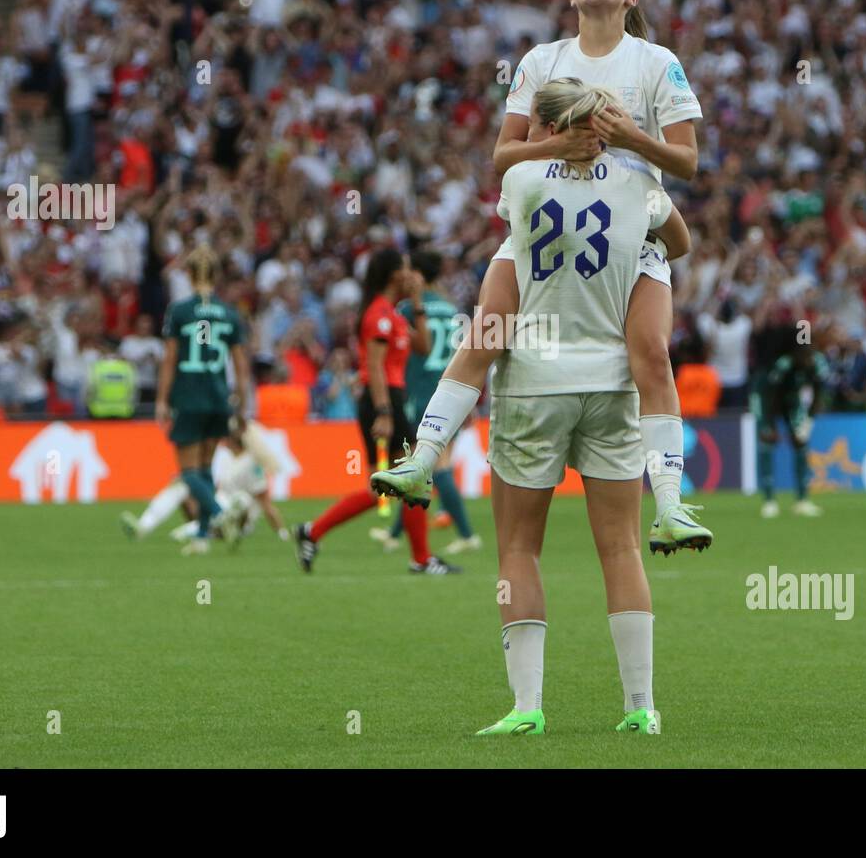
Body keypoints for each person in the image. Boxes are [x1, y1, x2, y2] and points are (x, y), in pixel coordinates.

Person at [377, 0, 711, 551]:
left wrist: (630, 137)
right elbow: (503, 156)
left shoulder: (657, 63)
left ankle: (669, 505)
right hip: (545, 226)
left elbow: (687, 161)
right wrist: (559, 150)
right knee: (484, 334)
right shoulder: (541, 61)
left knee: (652, 355)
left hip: (629, 238)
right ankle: (421, 459)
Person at [434, 78, 685, 736]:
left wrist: (533, 149)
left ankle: (526, 707)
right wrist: (632, 149)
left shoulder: (522, 185)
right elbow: (677, 239)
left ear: (541, 128)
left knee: (519, 548)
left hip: (534, 385)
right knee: (622, 551)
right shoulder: (635, 181)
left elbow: (508, 169)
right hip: (611, 381)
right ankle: (642, 708)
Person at [292, 249, 460, 575]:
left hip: (389, 399)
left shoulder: (394, 314)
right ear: (393, 274)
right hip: (381, 400)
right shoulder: (378, 315)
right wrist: (384, 411)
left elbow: (422, 347)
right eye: (407, 269)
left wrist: (418, 301)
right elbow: (374, 366)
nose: (413, 274)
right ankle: (419, 558)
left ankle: (314, 532)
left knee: (407, 481)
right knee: (397, 484)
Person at [371, 249, 483, 556]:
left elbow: (403, 349)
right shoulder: (451, 310)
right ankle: (396, 534)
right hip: (454, 393)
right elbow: (464, 357)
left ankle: (467, 533)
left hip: (421, 394)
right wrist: (470, 401)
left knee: (434, 465)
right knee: (421, 468)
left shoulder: (408, 309)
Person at [154, 245, 250, 555]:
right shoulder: (229, 313)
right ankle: (203, 536)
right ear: (217, 275)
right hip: (220, 398)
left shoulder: (180, 312)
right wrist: (242, 400)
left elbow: (170, 359)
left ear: (190, 274)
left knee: (188, 472)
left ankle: (221, 513)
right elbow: (240, 363)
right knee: (206, 468)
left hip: (190, 396)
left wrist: (161, 399)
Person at [122, 418, 289, 545]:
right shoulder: (226, 459)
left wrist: (282, 532)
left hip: (240, 519)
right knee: (184, 485)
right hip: (220, 509)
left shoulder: (251, 463)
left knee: (240, 500)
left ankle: (208, 528)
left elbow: (265, 503)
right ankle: (144, 525)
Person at [754, 341, 831, 519]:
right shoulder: (783, 366)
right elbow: (771, 396)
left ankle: (802, 501)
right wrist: (770, 426)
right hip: (768, 400)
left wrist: (806, 425)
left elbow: (818, 395)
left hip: (793, 402)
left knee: (801, 445)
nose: (807, 359)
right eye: (803, 355)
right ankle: (769, 501)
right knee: (766, 444)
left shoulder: (817, 364)